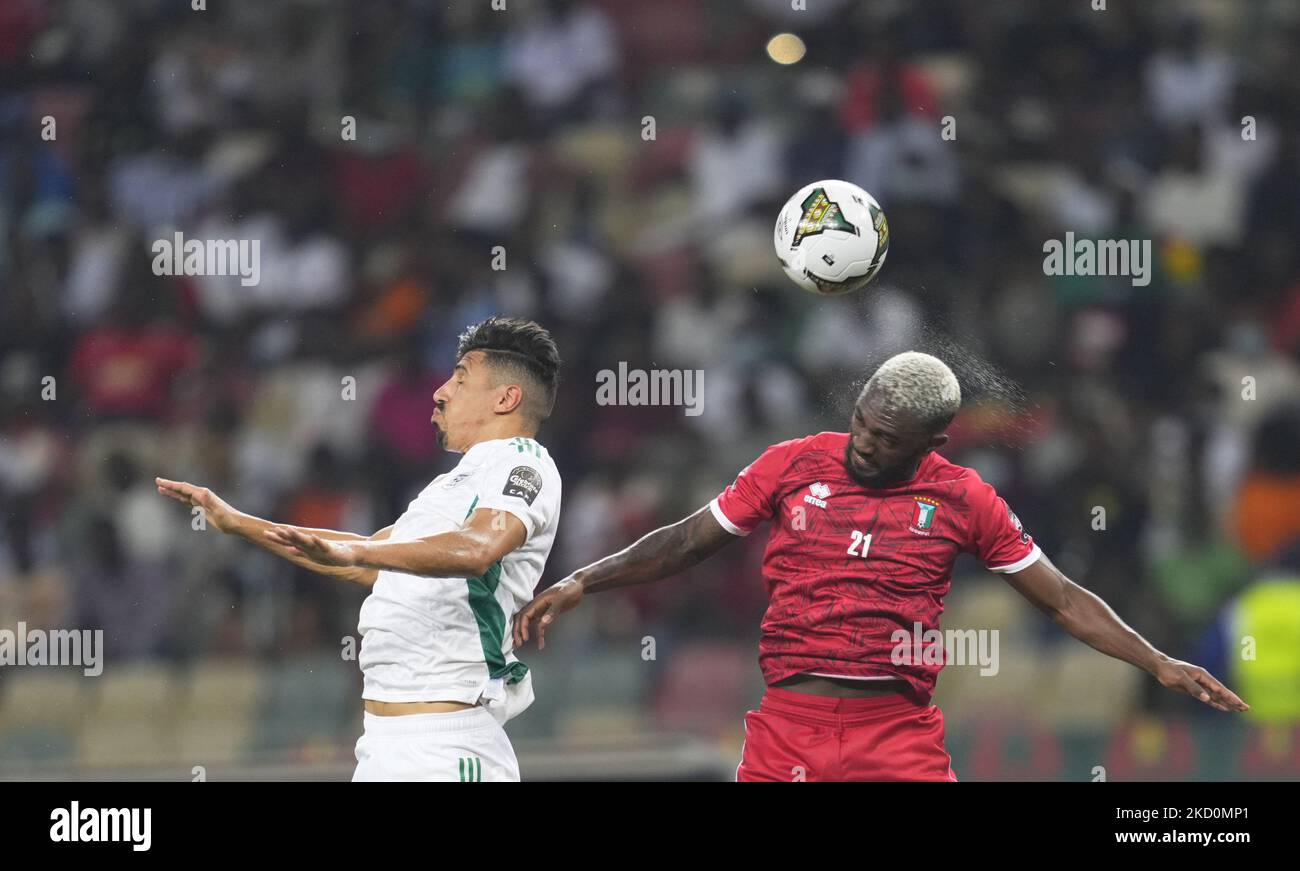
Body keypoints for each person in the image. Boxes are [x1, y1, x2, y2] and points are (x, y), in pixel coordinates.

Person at [514, 351, 1248, 781]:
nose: (864, 442)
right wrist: (583, 579)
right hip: (788, 727)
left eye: (887, 437)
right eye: (861, 421)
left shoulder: (964, 498)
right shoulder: (792, 463)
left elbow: (1061, 599)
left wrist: (1156, 661)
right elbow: (686, 540)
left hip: (897, 735)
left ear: (933, 441)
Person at [159, 317, 562, 781]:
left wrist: (358, 555)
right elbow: (363, 557)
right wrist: (240, 524)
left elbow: (477, 549)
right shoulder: (448, 487)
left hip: (448, 746)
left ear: (506, 399)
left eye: (460, 379)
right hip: (383, 744)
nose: (440, 392)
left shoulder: (523, 462)